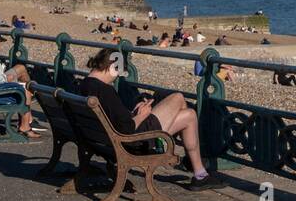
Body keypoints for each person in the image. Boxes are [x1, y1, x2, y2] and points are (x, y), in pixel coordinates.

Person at [78, 48, 220, 189]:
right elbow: (126, 129)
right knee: (178, 98)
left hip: (100, 140)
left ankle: (199, 171)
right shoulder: (105, 90)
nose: (116, 77)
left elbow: (115, 119)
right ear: (111, 67)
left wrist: (134, 112)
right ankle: (193, 168)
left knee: (189, 115)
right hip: (132, 141)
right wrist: (142, 115)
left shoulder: (83, 85)